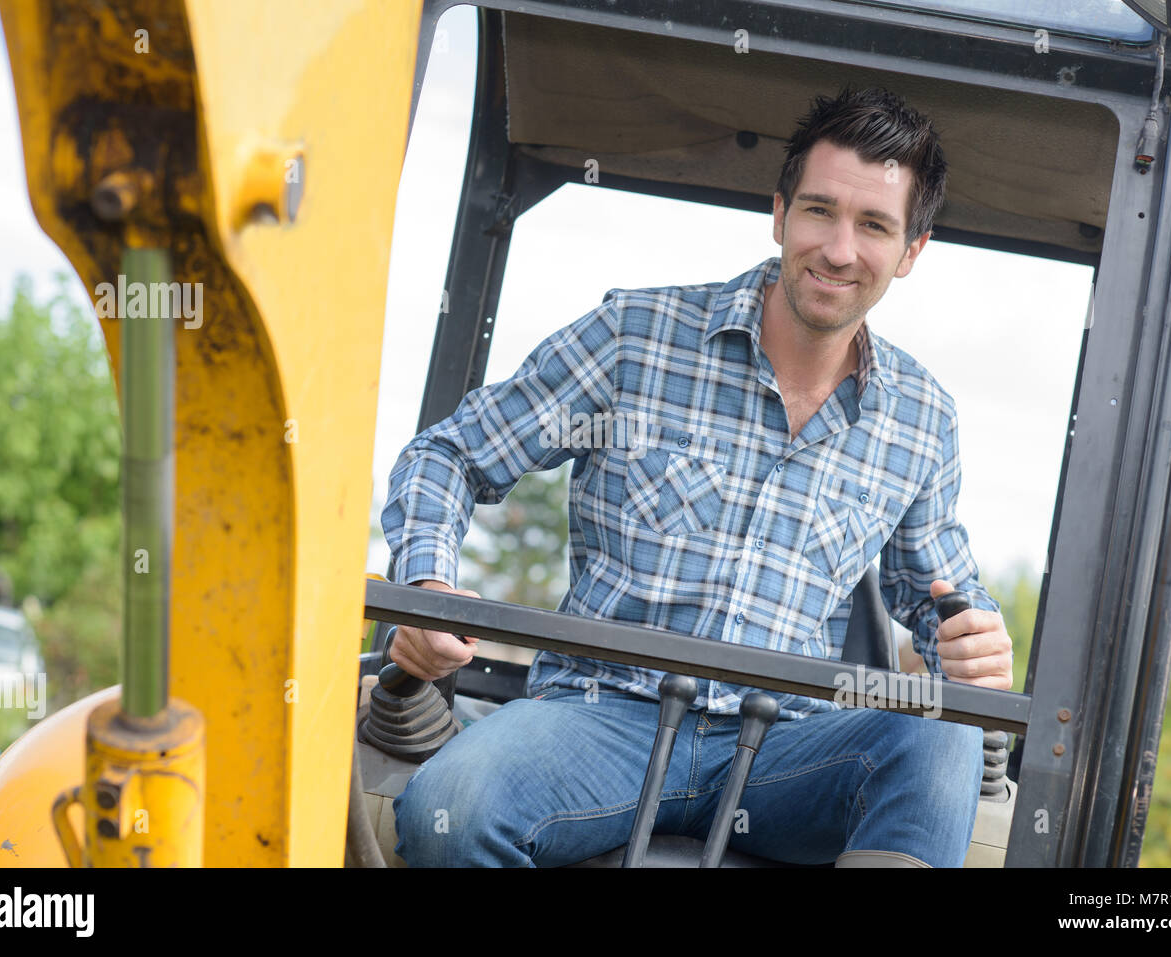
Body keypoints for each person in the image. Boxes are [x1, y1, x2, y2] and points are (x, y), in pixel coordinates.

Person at [380, 86, 1013, 868]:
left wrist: (975, 637)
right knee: (453, 807)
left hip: (785, 748)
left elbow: (941, 597)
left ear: (911, 251)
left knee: (937, 740)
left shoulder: (921, 417)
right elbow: (450, 455)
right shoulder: (634, 336)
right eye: (820, 211)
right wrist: (428, 586)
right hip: (602, 718)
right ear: (780, 214)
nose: (840, 249)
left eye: (874, 225)